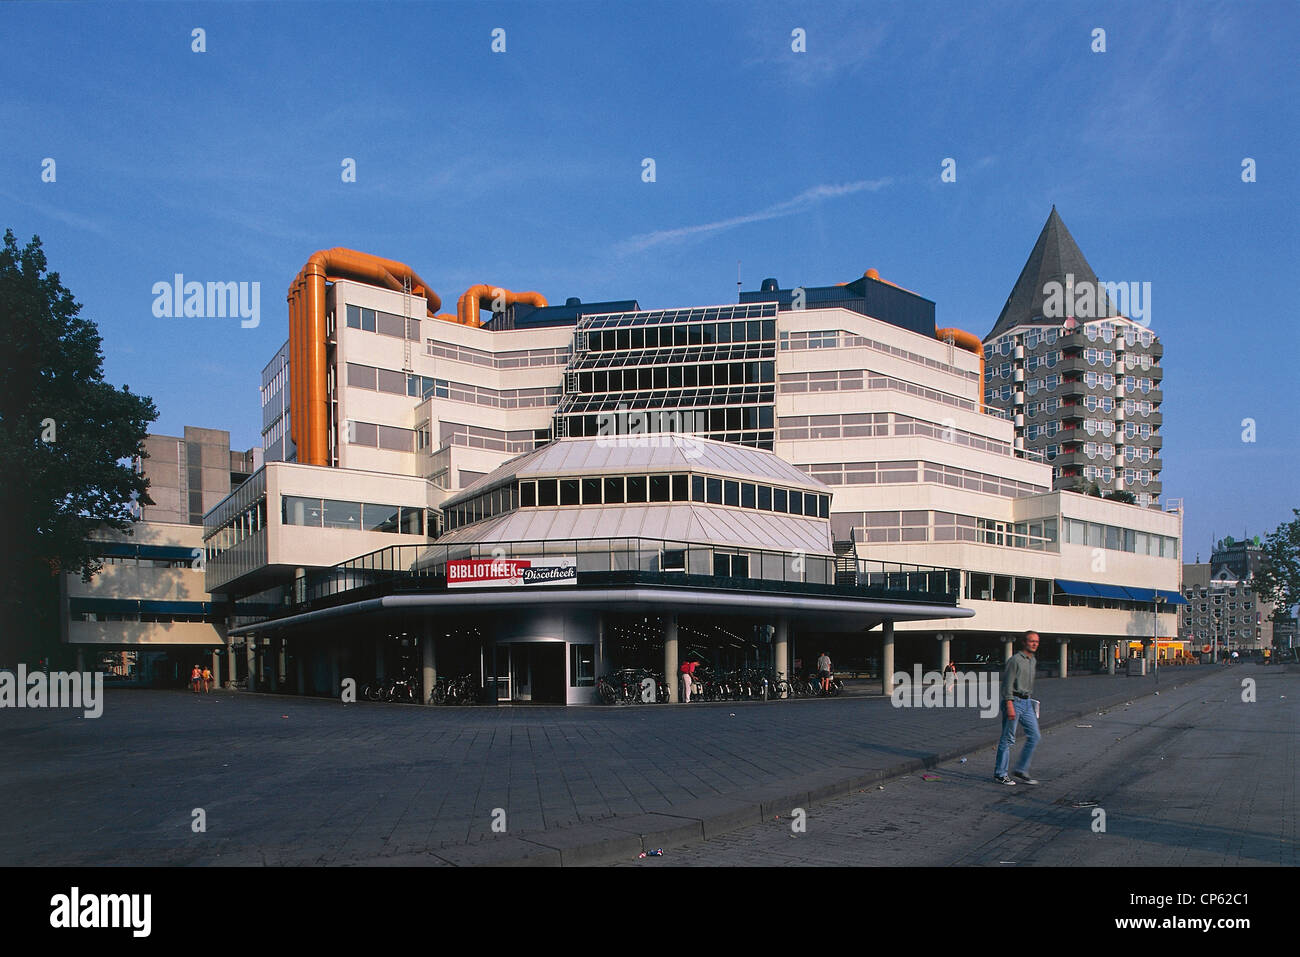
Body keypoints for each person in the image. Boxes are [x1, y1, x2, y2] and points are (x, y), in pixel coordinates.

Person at [994, 631, 1041, 786]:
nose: (1034, 644)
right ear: (1024, 642)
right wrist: (1009, 704)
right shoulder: (1015, 660)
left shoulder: (1032, 660)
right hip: (1013, 701)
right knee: (1008, 739)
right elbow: (1007, 684)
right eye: (1031, 641)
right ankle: (1000, 774)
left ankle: (1021, 769)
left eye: (1036, 641)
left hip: (1027, 703)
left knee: (1034, 735)